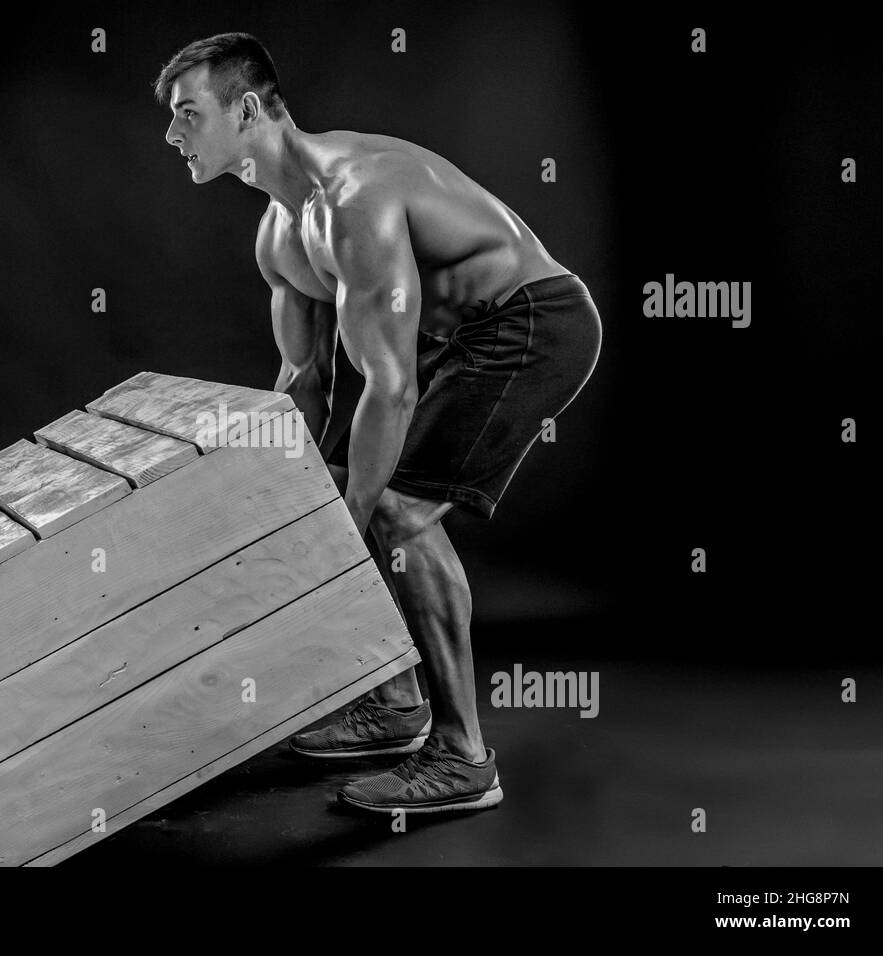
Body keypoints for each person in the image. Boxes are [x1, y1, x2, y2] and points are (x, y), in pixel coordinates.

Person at [155, 33, 601, 814]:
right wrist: (284, 498)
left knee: (392, 513)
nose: (172, 134)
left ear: (248, 109)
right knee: (330, 491)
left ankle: (464, 758)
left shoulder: (355, 201)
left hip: (534, 322)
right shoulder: (280, 236)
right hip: (456, 339)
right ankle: (395, 704)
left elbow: (389, 388)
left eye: (189, 114)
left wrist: (349, 526)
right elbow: (304, 384)